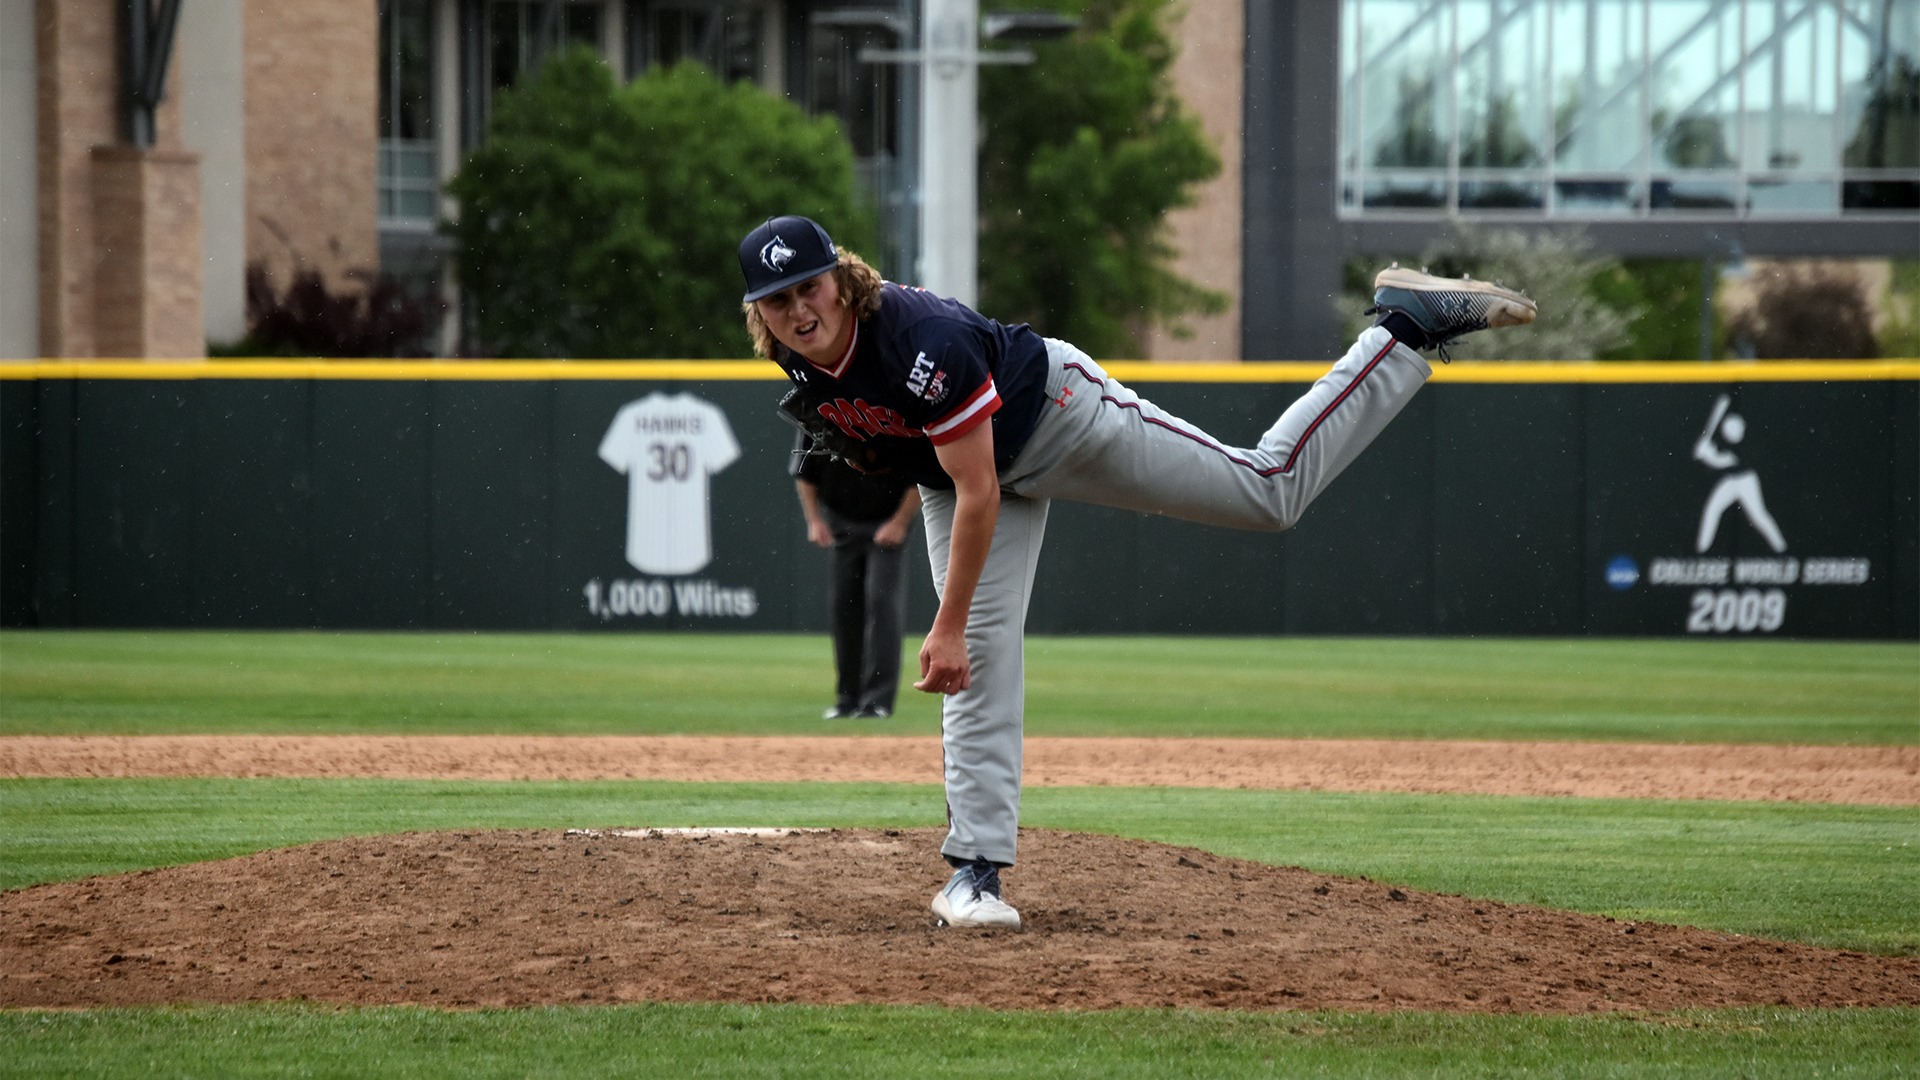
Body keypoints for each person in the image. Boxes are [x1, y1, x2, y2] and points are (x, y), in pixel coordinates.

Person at [738, 215, 1536, 929]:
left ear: (842, 280)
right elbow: (940, 470)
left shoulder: (919, 341)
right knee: (976, 662)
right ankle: (974, 876)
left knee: (1265, 493)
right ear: (758, 312)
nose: (797, 310)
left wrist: (945, 626)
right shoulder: (795, 355)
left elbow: (979, 492)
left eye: (808, 286)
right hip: (963, 474)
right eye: (777, 299)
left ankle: (1401, 330)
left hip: (1058, 416)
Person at [792, 434, 922, 719]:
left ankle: (878, 701)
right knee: (844, 606)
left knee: (881, 602)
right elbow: (804, 471)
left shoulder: (891, 402)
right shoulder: (817, 409)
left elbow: (921, 474)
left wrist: (900, 522)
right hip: (842, 522)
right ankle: (847, 698)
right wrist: (814, 520)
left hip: (888, 520)